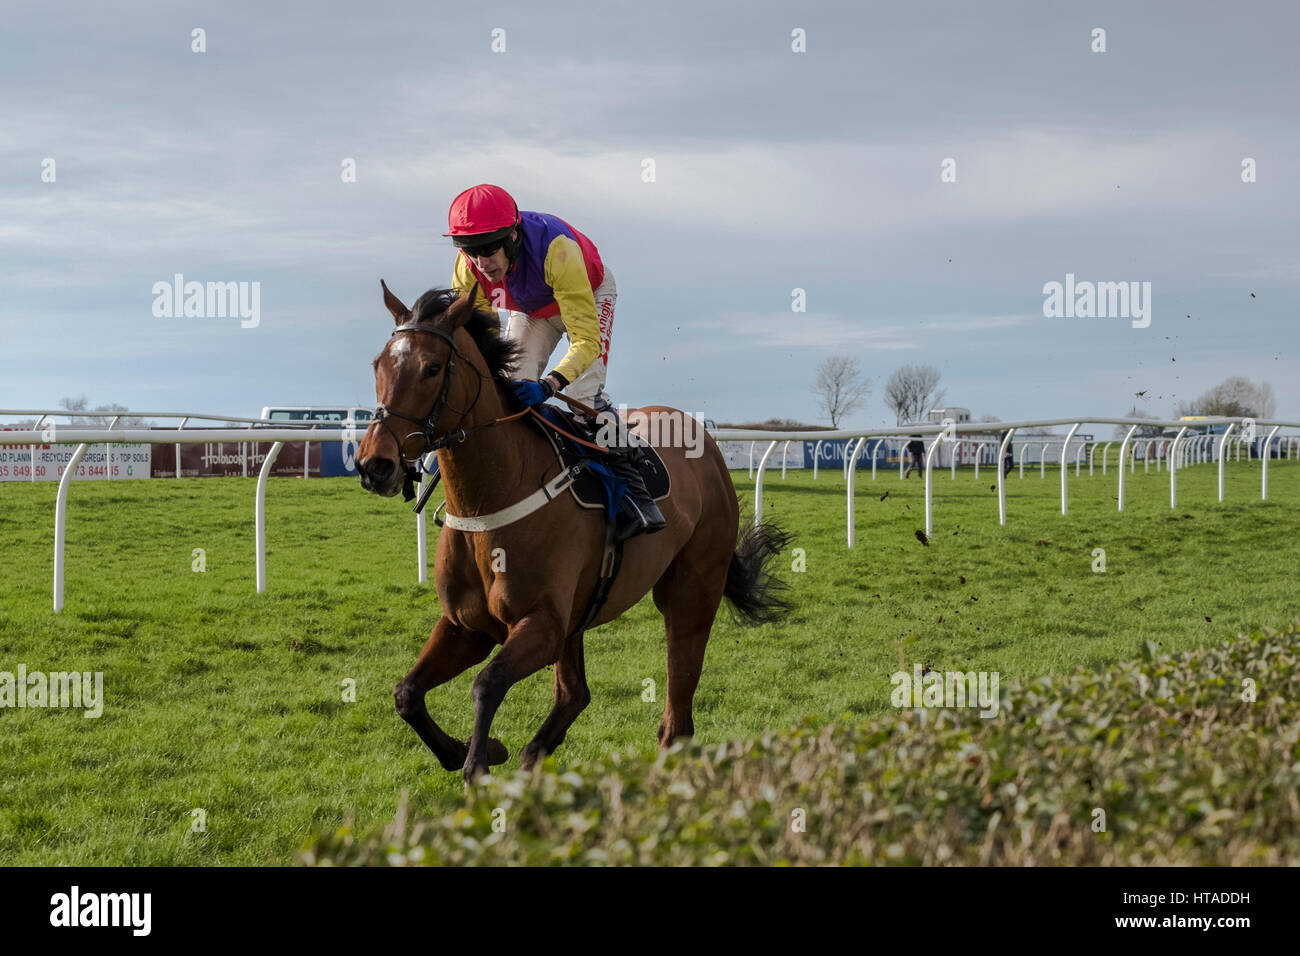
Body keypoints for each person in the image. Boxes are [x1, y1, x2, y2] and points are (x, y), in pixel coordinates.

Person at [443, 183, 665, 541]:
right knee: (509, 395)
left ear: (513, 236)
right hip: (533, 312)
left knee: (579, 396)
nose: (482, 262)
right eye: (471, 251)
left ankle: (635, 490)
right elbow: (483, 343)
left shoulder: (557, 251)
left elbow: (586, 342)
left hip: (587, 296)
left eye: (489, 249)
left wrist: (549, 385)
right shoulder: (468, 269)